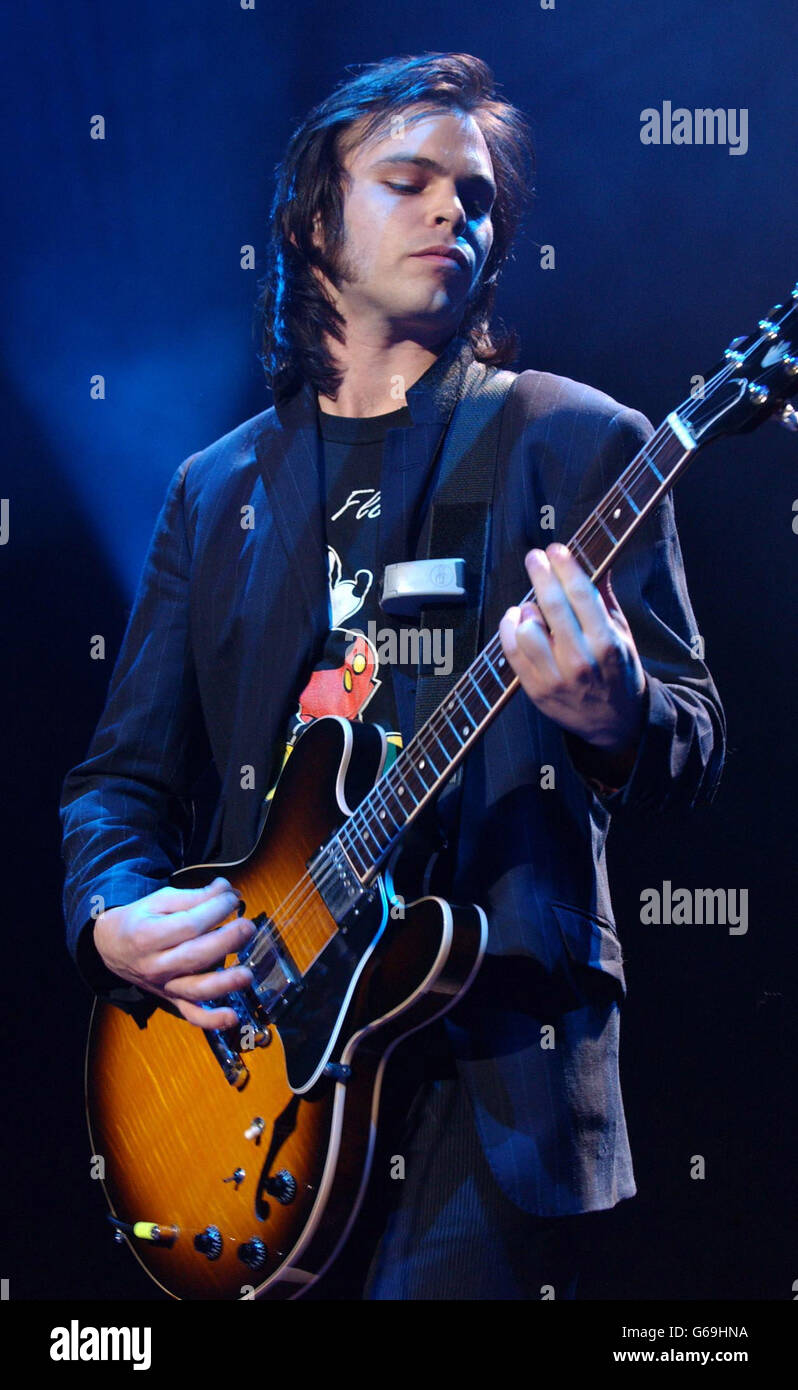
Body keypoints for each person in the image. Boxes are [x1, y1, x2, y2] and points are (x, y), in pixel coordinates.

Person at [60, 52, 725, 1300]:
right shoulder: (219, 490)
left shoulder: (577, 442)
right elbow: (119, 780)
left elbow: (696, 738)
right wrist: (111, 918)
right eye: (408, 181)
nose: (450, 214)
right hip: (251, 1063)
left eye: (475, 197)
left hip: (494, 1084)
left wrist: (613, 710)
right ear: (314, 224)